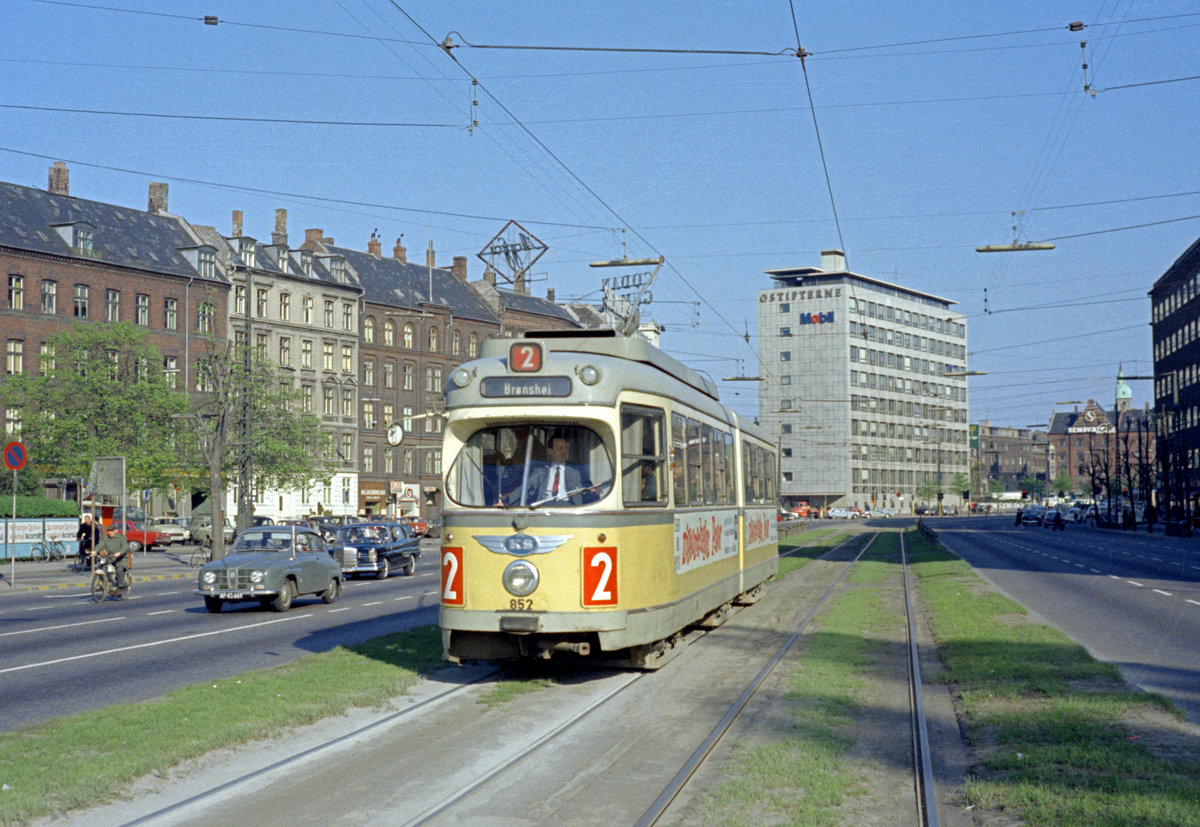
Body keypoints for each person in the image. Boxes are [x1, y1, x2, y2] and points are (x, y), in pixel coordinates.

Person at [522, 435, 584, 506]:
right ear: (550, 451)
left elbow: (587, 486)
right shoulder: (541, 470)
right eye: (560, 448)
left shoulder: (576, 469)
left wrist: (593, 491)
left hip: (568, 507)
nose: (565, 451)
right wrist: (507, 499)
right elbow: (526, 488)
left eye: (566, 448)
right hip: (544, 506)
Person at [96, 522, 131, 591]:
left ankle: (120, 586)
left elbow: (125, 546)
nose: (110, 533)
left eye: (111, 531)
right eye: (108, 531)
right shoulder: (106, 538)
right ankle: (105, 583)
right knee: (102, 566)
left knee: (119, 569)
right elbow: (101, 545)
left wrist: (120, 552)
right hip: (110, 558)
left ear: (116, 531)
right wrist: (95, 550)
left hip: (121, 559)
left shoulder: (121, 538)